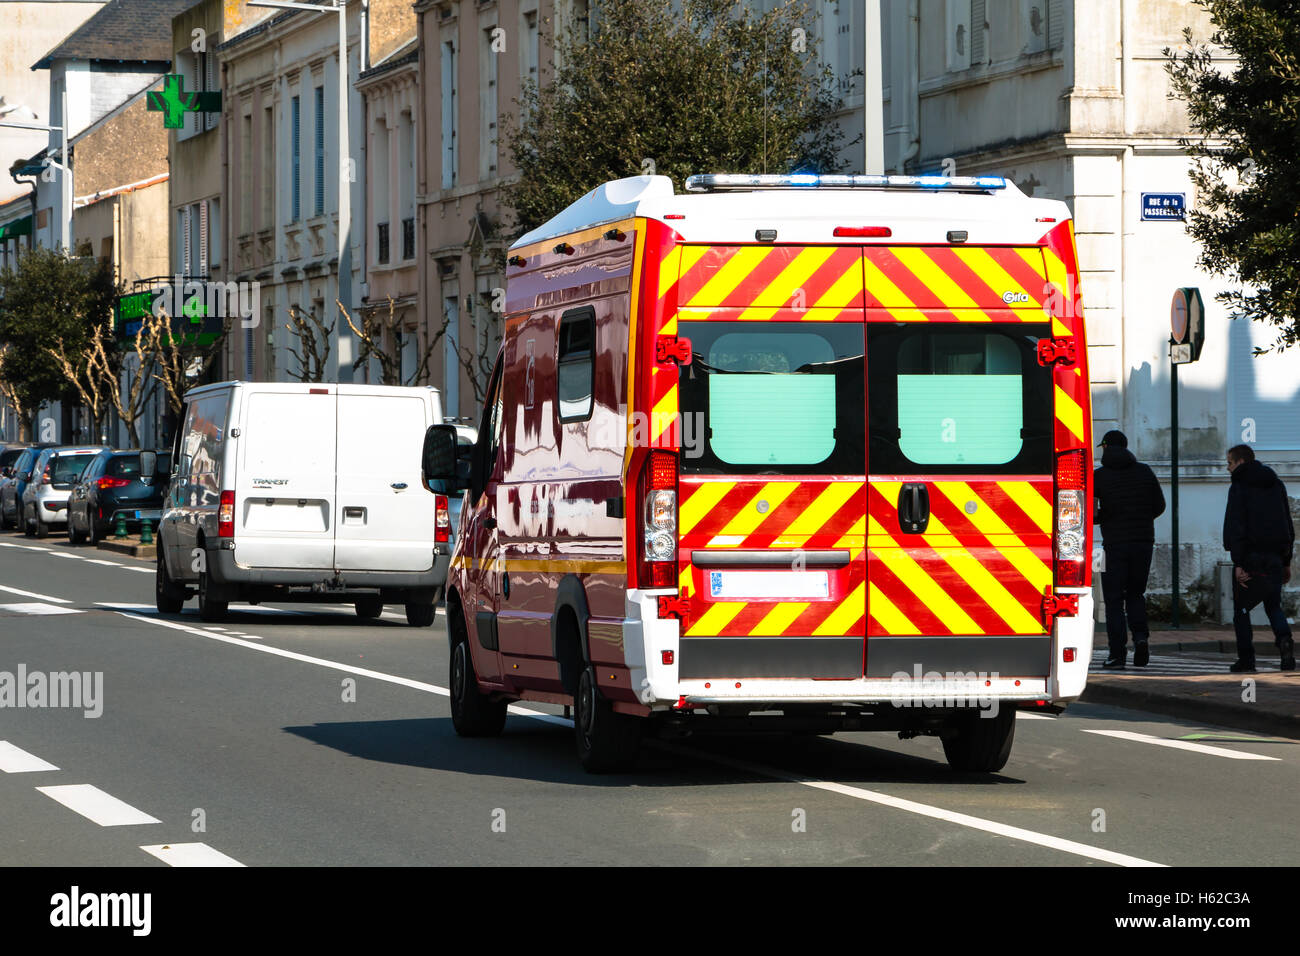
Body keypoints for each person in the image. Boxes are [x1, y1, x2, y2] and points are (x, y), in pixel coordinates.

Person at [1093, 430, 1166, 668]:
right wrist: (1142, 518)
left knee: (1114, 601)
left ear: (1105, 448)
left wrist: (1106, 517)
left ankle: (1117, 654)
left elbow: (1092, 513)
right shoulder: (1144, 471)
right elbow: (1159, 505)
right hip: (1143, 542)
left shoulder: (1099, 476)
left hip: (1114, 544)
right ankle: (1141, 638)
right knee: (1136, 594)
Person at [1223, 444, 1295, 672]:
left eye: (1230, 463)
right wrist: (1286, 561)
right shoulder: (1276, 484)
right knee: (1274, 606)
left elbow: (1236, 525)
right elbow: (1287, 524)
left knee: (1241, 610)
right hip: (1275, 556)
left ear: (1241, 462)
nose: (1228, 468)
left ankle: (1246, 658)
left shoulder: (1239, 486)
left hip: (1251, 558)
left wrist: (1238, 562)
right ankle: (1285, 643)